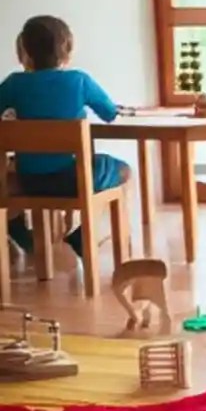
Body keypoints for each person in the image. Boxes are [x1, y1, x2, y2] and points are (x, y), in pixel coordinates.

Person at [0, 15, 131, 259]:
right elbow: (109, 113)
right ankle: (82, 233)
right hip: (72, 181)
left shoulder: (13, 84)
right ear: (67, 49)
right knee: (122, 170)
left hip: (28, 181)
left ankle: (16, 225)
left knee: (5, 176)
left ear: (24, 51)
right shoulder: (79, 80)